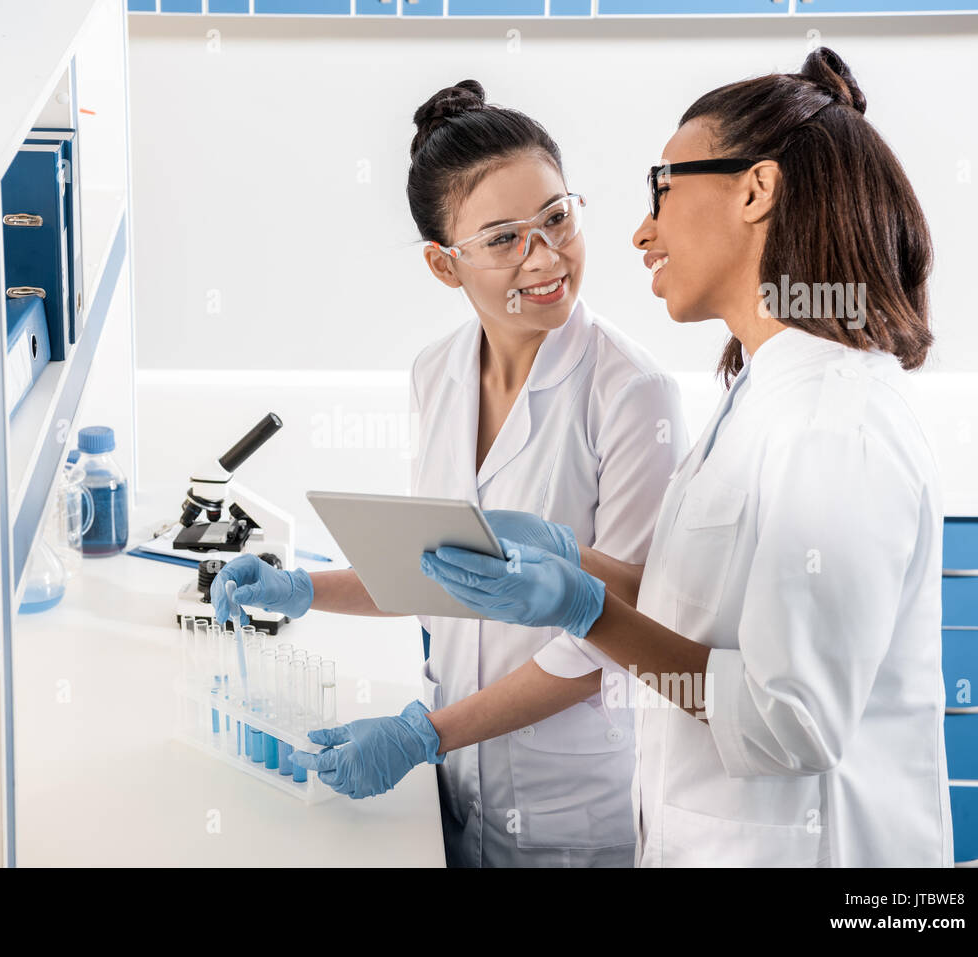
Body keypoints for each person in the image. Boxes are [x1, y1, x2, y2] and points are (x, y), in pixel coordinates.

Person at [419, 48, 953, 866]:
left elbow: (788, 721)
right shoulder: (756, 396)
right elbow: (703, 615)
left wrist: (586, 609)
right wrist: (580, 562)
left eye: (662, 188)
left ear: (755, 189)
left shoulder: (834, 419)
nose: (639, 230)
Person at [211, 80, 687, 867]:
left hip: (573, 805)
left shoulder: (633, 394)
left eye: (557, 219)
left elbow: (621, 629)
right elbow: (439, 568)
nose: (544, 256)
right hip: (459, 784)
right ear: (444, 264)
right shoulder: (437, 374)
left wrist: (424, 733)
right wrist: (301, 587)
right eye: (503, 238)